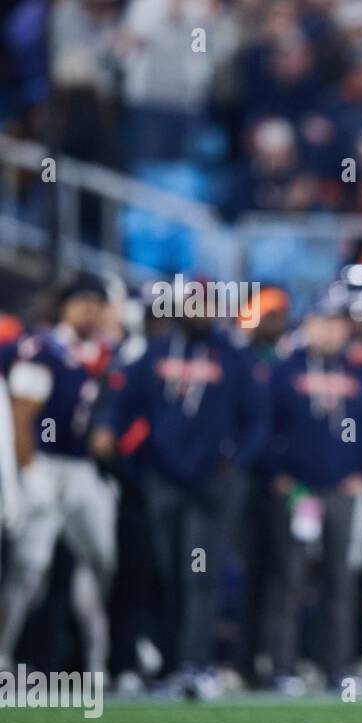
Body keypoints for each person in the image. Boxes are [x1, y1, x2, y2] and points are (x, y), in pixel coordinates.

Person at [91, 282, 268, 698]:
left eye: (207, 303)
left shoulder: (236, 357)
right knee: (167, 571)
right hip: (164, 478)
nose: (200, 311)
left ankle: (196, 663)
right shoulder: (153, 353)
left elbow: (258, 420)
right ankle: (172, 663)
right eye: (193, 303)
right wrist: (106, 428)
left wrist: (235, 460)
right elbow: (122, 400)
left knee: (200, 572)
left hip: (213, 481)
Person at [261, 288, 362, 691]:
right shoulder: (286, 369)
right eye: (323, 323)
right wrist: (278, 473)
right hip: (298, 490)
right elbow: (267, 425)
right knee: (289, 579)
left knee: (340, 581)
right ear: (308, 326)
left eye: (337, 324)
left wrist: (361, 472)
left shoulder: (355, 372)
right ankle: (282, 667)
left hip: (340, 490)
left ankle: (339, 668)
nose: (331, 332)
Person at [0, 276, 116, 676]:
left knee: (102, 558)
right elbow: (20, 416)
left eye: (95, 302)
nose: (88, 309)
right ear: (64, 306)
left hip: (84, 468)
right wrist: (28, 472)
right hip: (44, 462)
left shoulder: (105, 353)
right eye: (80, 301)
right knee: (30, 569)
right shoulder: (44, 350)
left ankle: (98, 661)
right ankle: (2, 656)